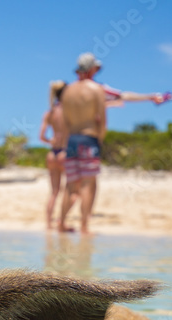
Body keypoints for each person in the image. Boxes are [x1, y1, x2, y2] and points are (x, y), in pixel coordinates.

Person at [57, 53, 107, 234]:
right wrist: (99, 140)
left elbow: (65, 122)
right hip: (89, 139)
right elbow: (101, 119)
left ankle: (61, 223)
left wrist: (64, 146)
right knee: (88, 184)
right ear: (92, 69)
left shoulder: (68, 91)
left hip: (71, 140)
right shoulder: (96, 90)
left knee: (70, 186)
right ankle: (85, 226)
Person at [39, 80, 68, 229]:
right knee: (69, 190)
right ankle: (62, 222)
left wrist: (51, 140)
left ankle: (48, 223)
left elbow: (41, 136)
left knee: (54, 192)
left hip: (52, 154)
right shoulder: (70, 111)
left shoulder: (49, 113)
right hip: (65, 152)